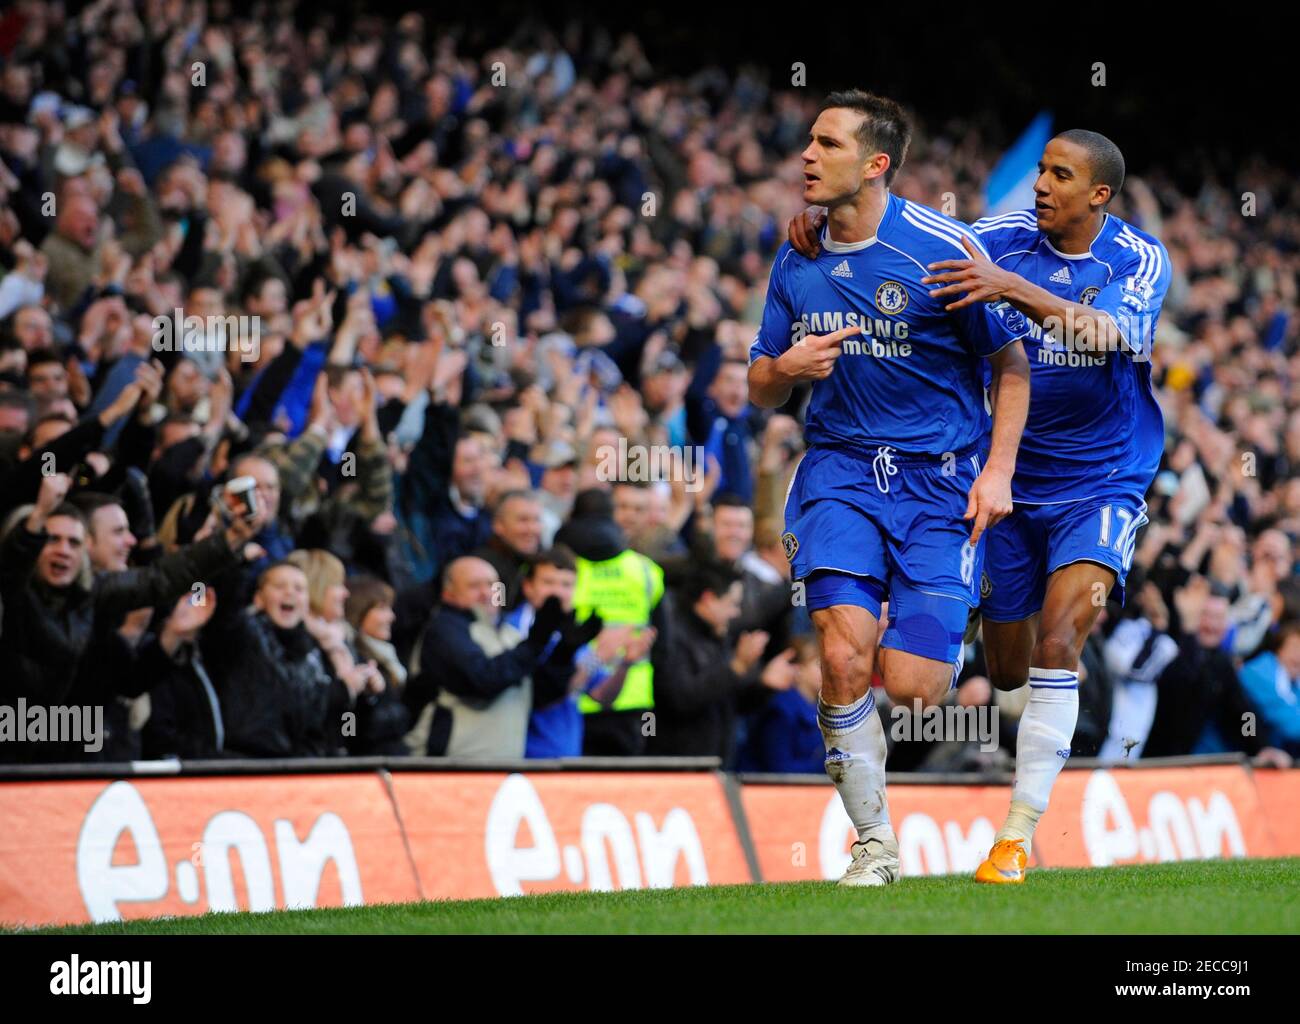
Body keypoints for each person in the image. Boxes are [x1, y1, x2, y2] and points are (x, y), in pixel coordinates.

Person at [792, 127, 1172, 881]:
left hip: (1101, 478)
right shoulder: (994, 237)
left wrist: (1018, 290)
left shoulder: (1137, 259)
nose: (1040, 184)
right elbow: (898, 238)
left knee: (1061, 641)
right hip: (1003, 477)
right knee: (1006, 669)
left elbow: (1107, 334)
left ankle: (1015, 839)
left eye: (1059, 175)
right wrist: (824, 224)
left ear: (1098, 194)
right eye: (1038, 169)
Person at [750, 90, 1030, 885]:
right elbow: (758, 385)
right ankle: (873, 842)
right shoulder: (795, 254)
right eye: (808, 140)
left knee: (913, 687)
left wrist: (1000, 472)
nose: (806, 154)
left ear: (875, 165)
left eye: (826, 143)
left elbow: (1011, 367)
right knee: (841, 659)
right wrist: (785, 371)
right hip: (838, 471)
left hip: (940, 484)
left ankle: (965, 609)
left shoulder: (943, 250)